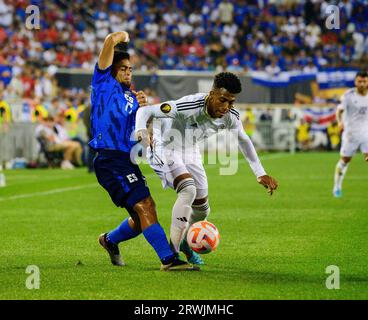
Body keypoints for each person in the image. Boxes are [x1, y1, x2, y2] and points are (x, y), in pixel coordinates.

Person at [135, 72, 278, 264]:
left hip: (190, 150)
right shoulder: (188, 105)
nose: (226, 107)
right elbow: (146, 112)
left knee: (202, 209)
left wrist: (260, 173)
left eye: (231, 102)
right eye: (223, 100)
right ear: (211, 94)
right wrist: (141, 131)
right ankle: (172, 255)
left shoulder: (230, 116)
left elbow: (243, 140)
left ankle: (185, 241)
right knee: (188, 189)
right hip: (165, 146)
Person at [90, 31, 198, 271]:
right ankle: (169, 259)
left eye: (131, 69)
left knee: (141, 218)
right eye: (123, 69)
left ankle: (109, 240)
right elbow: (108, 42)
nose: (129, 73)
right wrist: (119, 36)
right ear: (111, 71)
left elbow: (141, 133)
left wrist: (144, 112)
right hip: (109, 159)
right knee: (145, 206)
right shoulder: (103, 84)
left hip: (126, 160)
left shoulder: (131, 97)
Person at [333, 70, 368, 198]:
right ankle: (337, 186)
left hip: (366, 133)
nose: (362, 84)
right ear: (355, 82)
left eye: (364, 81)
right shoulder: (348, 95)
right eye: (359, 81)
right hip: (351, 133)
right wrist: (339, 123)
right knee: (345, 160)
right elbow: (339, 111)